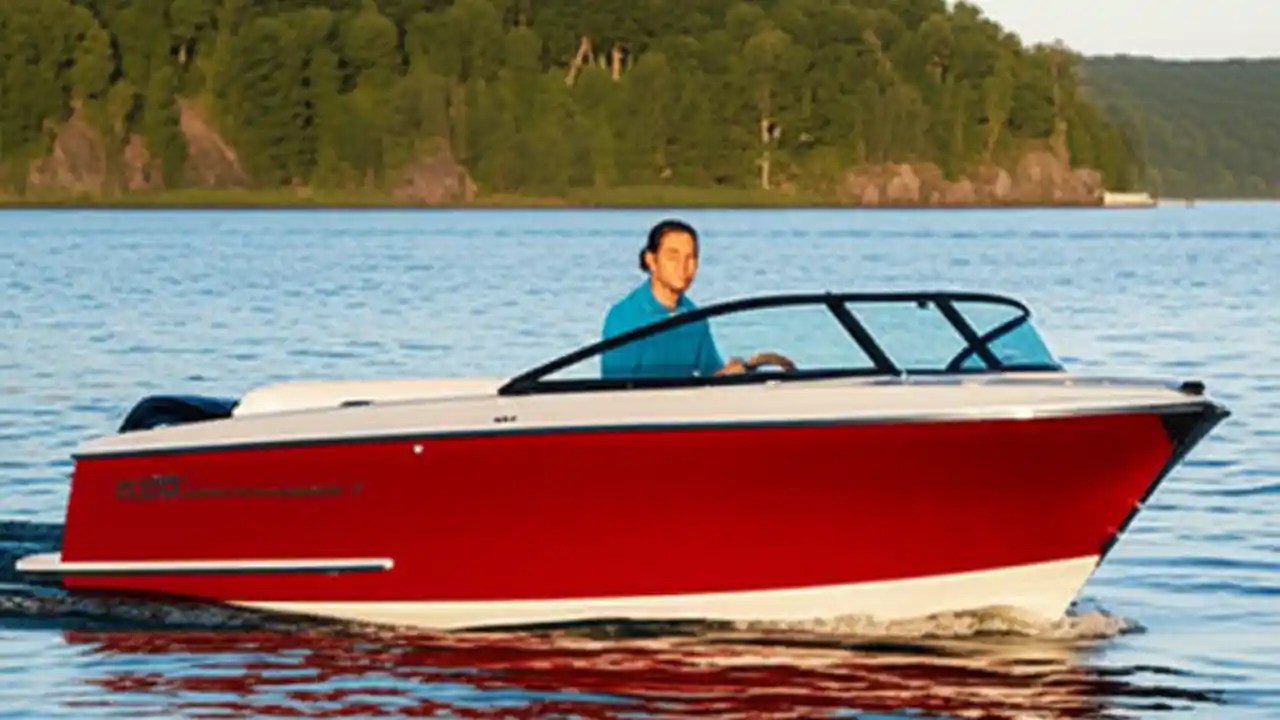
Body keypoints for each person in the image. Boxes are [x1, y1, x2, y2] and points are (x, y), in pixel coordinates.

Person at [601, 219, 747, 379]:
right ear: (651, 260)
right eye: (673, 257)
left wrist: (732, 373)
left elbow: (712, 376)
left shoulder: (694, 317)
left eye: (691, 258)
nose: (683, 267)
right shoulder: (624, 318)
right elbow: (614, 391)